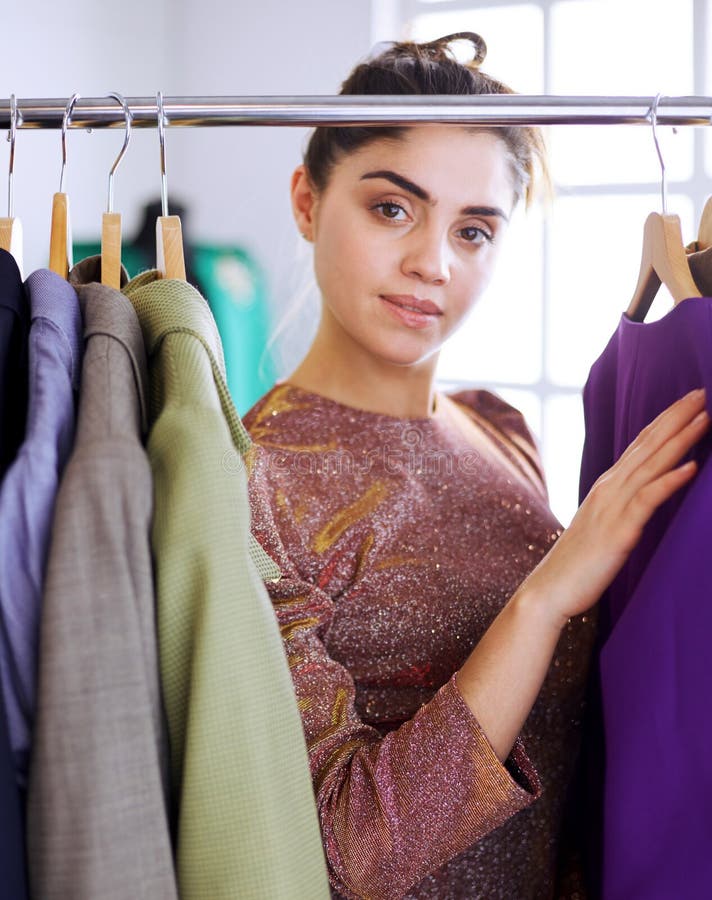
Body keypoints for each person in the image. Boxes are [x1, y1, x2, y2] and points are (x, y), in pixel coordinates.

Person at [242, 33, 709, 899]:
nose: (433, 263)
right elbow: (343, 850)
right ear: (308, 200)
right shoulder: (250, 481)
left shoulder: (501, 429)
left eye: (474, 229)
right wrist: (544, 598)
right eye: (393, 208)